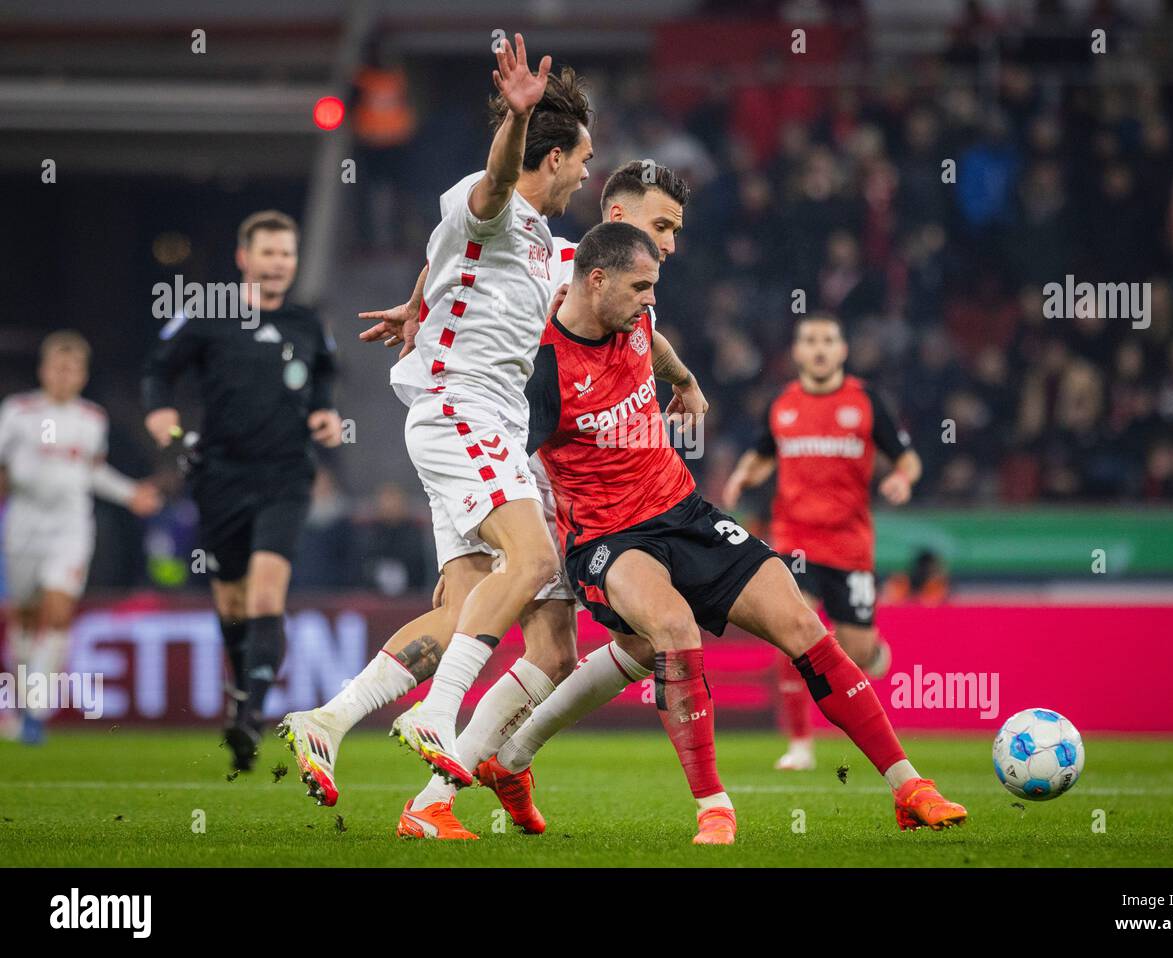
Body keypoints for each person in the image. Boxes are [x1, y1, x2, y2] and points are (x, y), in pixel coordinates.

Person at [481, 222, 966, 844]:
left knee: (804, 626)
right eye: (640, 287)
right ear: (595, 280)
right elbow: (509, 462)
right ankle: (715, 805)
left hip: (685, 512)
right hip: (608, 540)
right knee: (674, 630)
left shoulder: (633, 321)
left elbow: (654, 340)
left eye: (654, 287)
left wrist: (682, 380)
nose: (650, 300)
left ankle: (908, 787)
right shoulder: (543, 366)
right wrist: (512, 545)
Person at [280, 159, 702, 843]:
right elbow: (460, 233)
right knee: (544, 616)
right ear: (618, 220)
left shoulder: (571, 263)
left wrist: (682, 377)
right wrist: (424, 304)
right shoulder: (563, 262)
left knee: (503, 626)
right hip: (493, 442)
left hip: (486, 443)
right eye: (662, 226)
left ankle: (334, 720)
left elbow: (645, 333)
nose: (671, 245)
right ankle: (442, 770)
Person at [278, 35, 595, 830]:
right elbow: (491, 190)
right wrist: (517, 119)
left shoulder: (548, 253)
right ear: (550, 156)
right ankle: (438, 717)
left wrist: (422, 301)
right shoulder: (487, 200)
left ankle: (327, 721)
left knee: (462, 612)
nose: (587, 175)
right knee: (534, 559)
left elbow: (455, 262)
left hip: (471, 422)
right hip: (463, 411)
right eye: (582, 159)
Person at [142, 209, 343, 771]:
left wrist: (326, 414)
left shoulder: (308, 322)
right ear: (244, 258)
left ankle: (250, 716)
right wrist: (159, 412)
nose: (279, 263)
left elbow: (326, 376)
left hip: (285, 475)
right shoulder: (208, 315)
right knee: (230, 601)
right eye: (269, 252)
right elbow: (159, 368)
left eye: (287, 253)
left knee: (263, 596)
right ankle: (242, 693)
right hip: (220, 477)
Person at [720, 313, 921, 770]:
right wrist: (741, 475)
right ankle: (800, 744)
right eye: (810, 340)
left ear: (842, 350)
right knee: (793, 632)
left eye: (828, 339)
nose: (819, 348)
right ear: (797, 351)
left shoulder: (867, 402)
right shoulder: (782, 404)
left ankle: (870, 653)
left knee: (857, 654)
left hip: (850, 549)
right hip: (794, 542)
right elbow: (762, 453)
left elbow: (907, 458)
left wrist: (904, 481)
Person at [0, 331, 161, 744]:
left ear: (82, 375)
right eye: (58, 366)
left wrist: (131, 494)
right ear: (44, 370)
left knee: (58, 611)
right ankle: (20, 703)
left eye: (72, 368)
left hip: (71, 527)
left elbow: (91, 472)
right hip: (23, 526)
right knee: (26, 618)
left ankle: (36, 713)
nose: (64, 375)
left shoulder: (92, 419)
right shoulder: (16, 413)